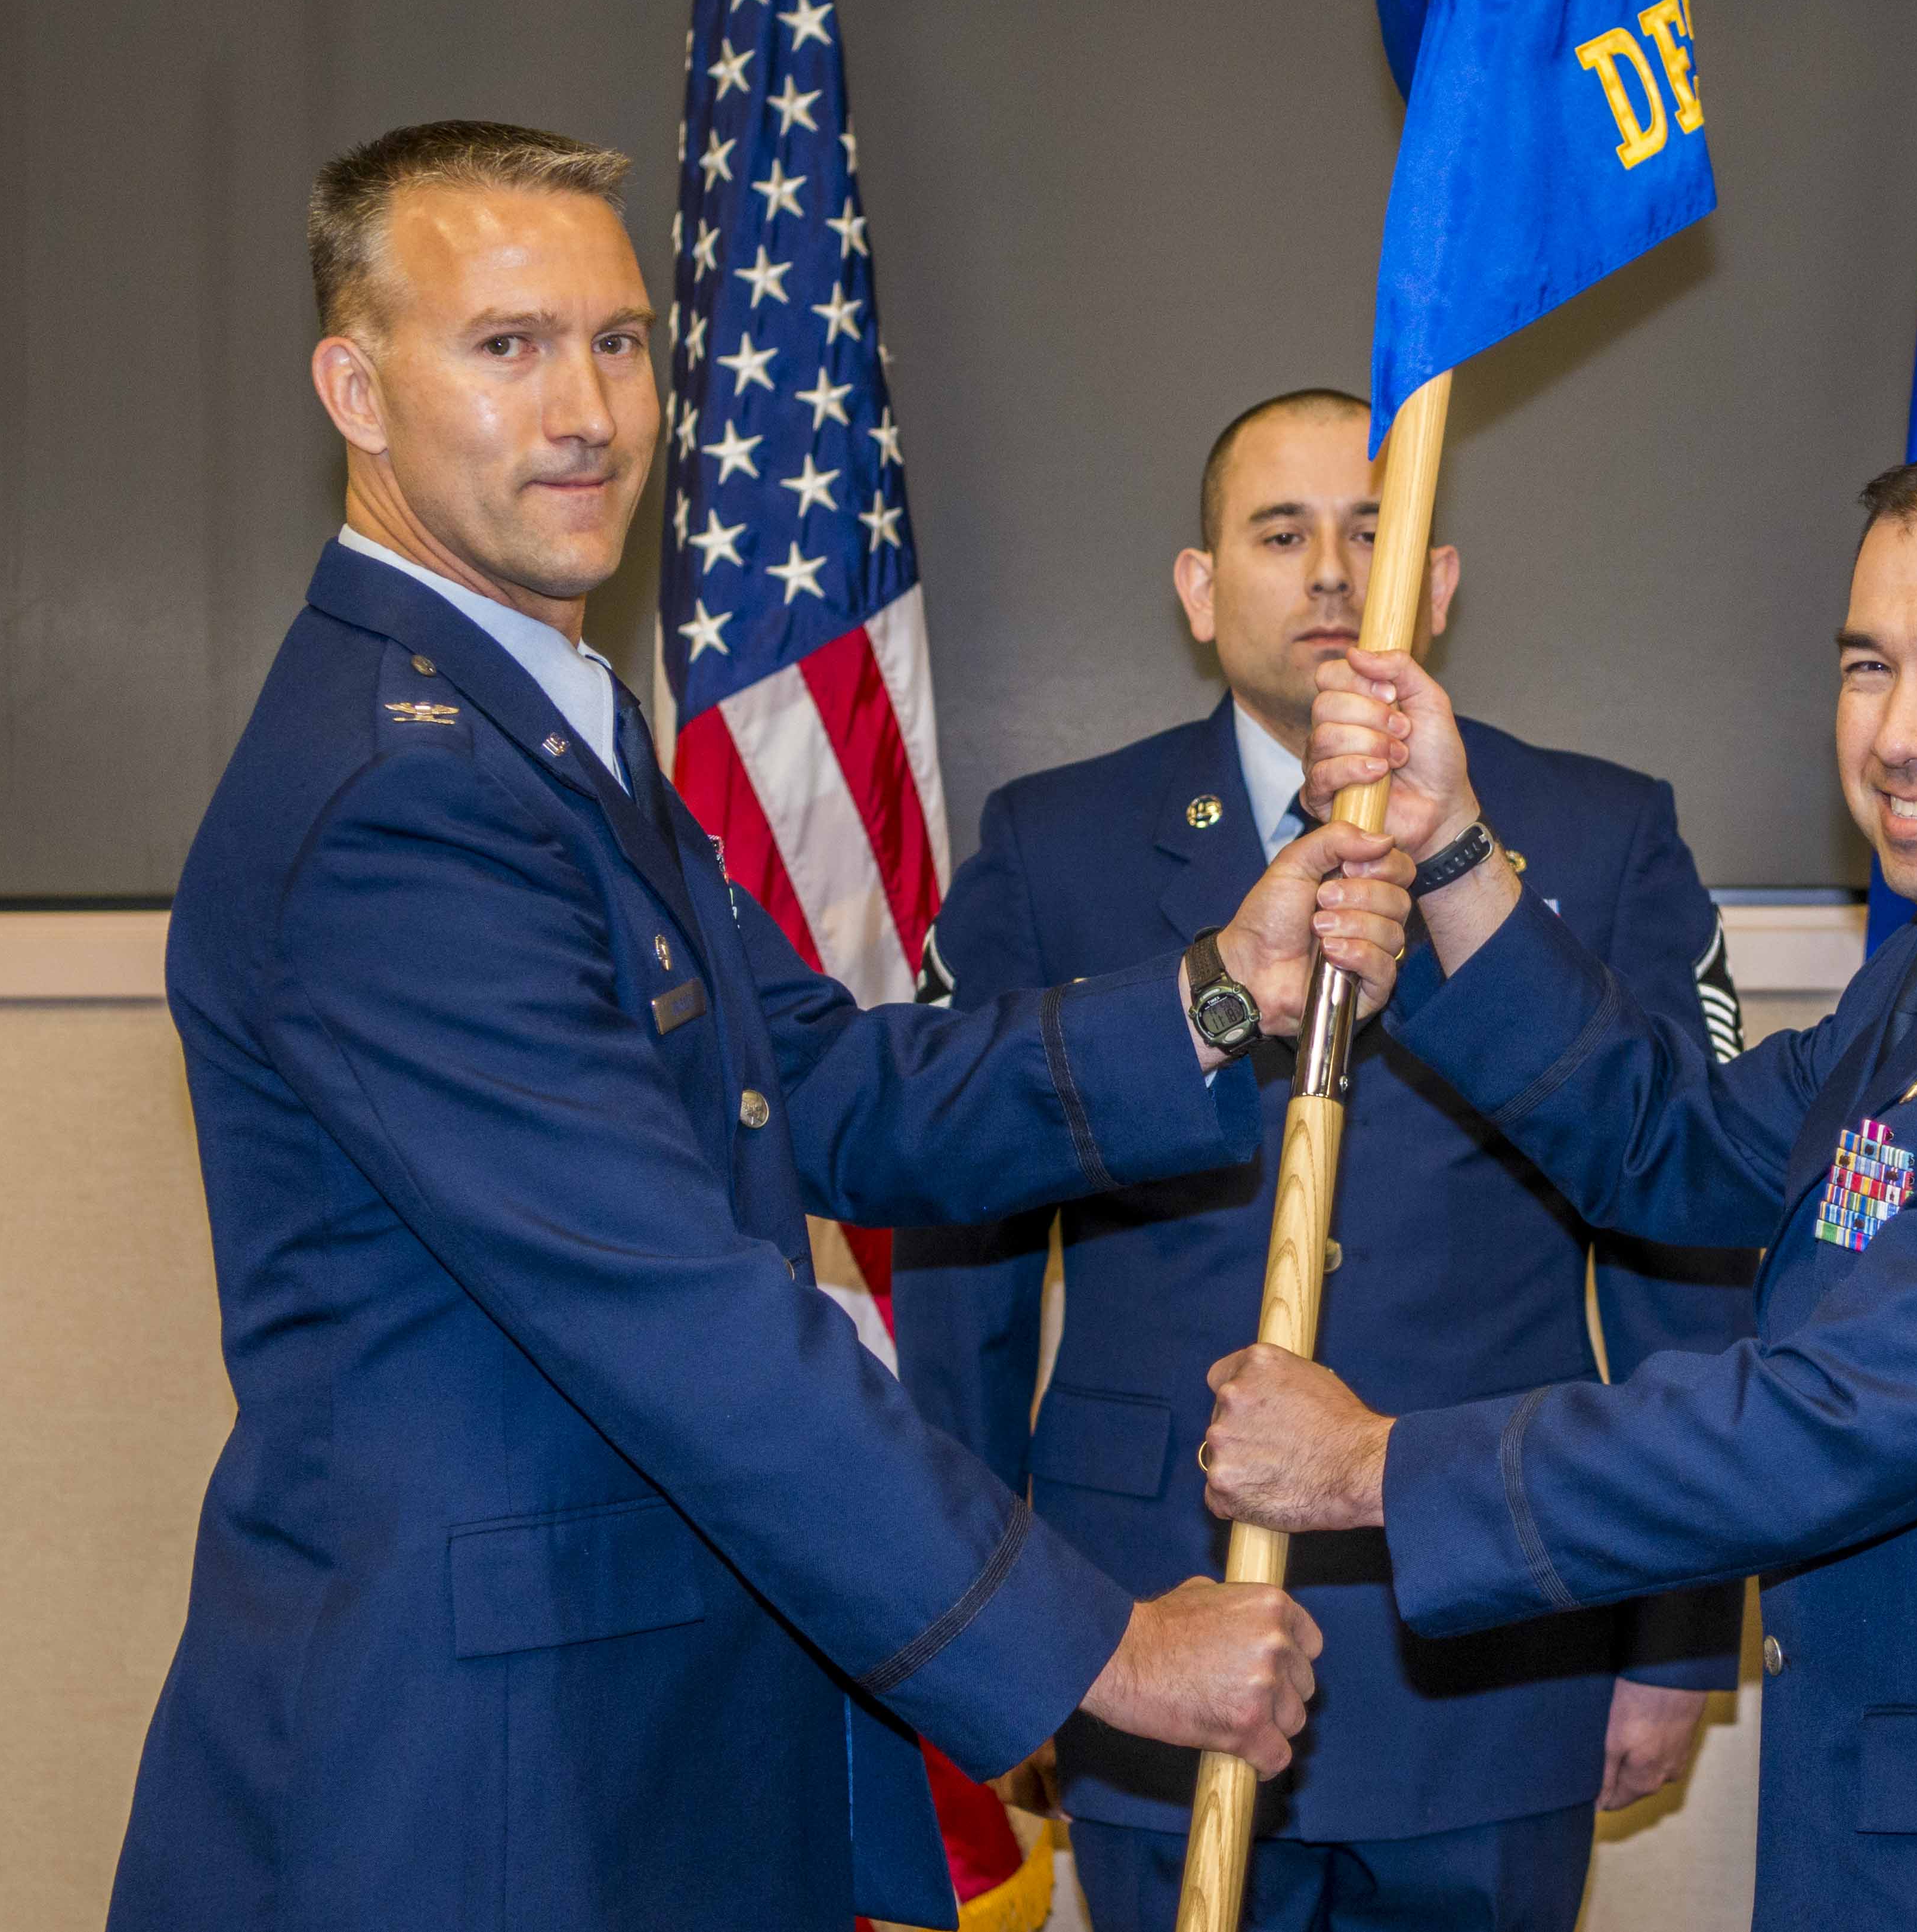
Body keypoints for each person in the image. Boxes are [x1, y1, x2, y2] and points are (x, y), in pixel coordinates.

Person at [109, 123, 1415, 1932]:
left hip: (628, 1745)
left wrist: (1218, 990)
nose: (586, 409)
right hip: (476, 1795)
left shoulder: (537, 731)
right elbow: (676, 1308)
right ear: (355, 386)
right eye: (506, 346)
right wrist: (1098, 1639)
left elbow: (815, 1077)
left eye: (621, 342)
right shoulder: (393, 803)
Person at [1200, 435, 1917, 1930]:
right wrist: (1449, 856)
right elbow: (1670, 1142)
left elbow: (1827, 1421)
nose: (1897, 732)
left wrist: (1374, 1466)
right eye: (1865, 665)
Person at [890, 388, 1755, 1932]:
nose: (1331, 573)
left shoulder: (1601, 832)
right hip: (1146, 1620)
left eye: (1372, 530)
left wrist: (1675, 1633)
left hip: (1496, 1637)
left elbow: (1678, 1235)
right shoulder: (1056, 844)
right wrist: (992, 1629)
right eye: (1277, 533)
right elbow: (968, 1257)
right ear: (1199, 586)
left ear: (1436, 582)